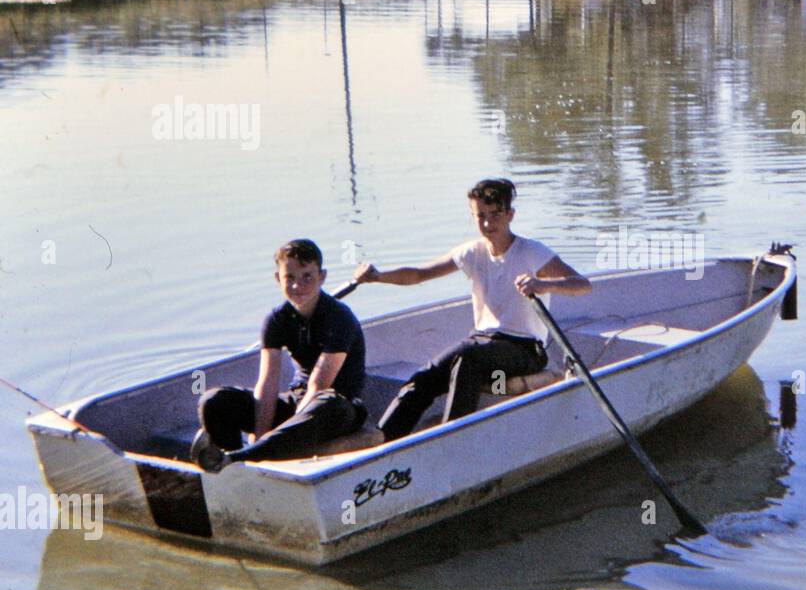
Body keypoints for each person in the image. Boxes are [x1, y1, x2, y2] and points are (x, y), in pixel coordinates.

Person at [352, 178, 591, 442]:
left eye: (495, 215)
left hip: (524, 352)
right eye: (481, 216)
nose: (488, 224)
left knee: (468, 360)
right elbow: (418, 275)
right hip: (485, 350)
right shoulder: (472, 252)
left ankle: (451, 440)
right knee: (423, 379)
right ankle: (381, 444)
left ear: (510, 215)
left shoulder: (532, 252)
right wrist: (377, 276)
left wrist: (541, 283)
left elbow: (582, 285)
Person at [190, 238, 368, 473]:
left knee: (327, 402)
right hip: (298, 401)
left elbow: (318, 384)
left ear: (322, 277)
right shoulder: (276, 319)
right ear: (278, 279)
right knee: (214, 401)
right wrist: (262, 434)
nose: (298, 286)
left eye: (307, 277)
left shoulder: (339, 318)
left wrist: (277, 435)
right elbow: (268, 381)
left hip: (336, 407)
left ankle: (238, 458)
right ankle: (232, 469)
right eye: (290, 278)